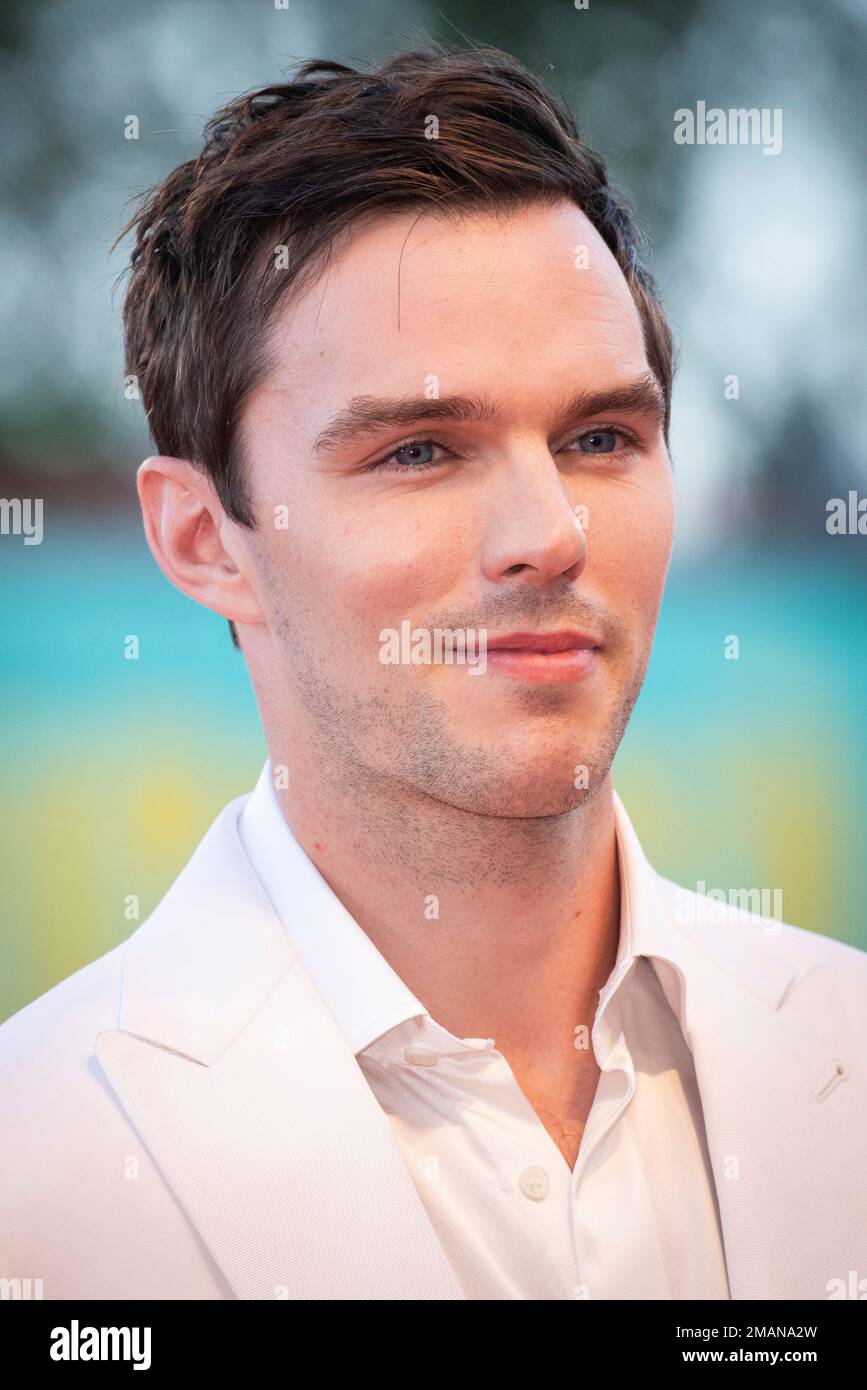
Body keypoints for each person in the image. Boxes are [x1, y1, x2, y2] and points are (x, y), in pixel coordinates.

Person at [1, 45, 864, 1302]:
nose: (550, 533)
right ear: (204, 540)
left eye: (602, 436)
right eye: (419, 450)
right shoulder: (31, 1176)